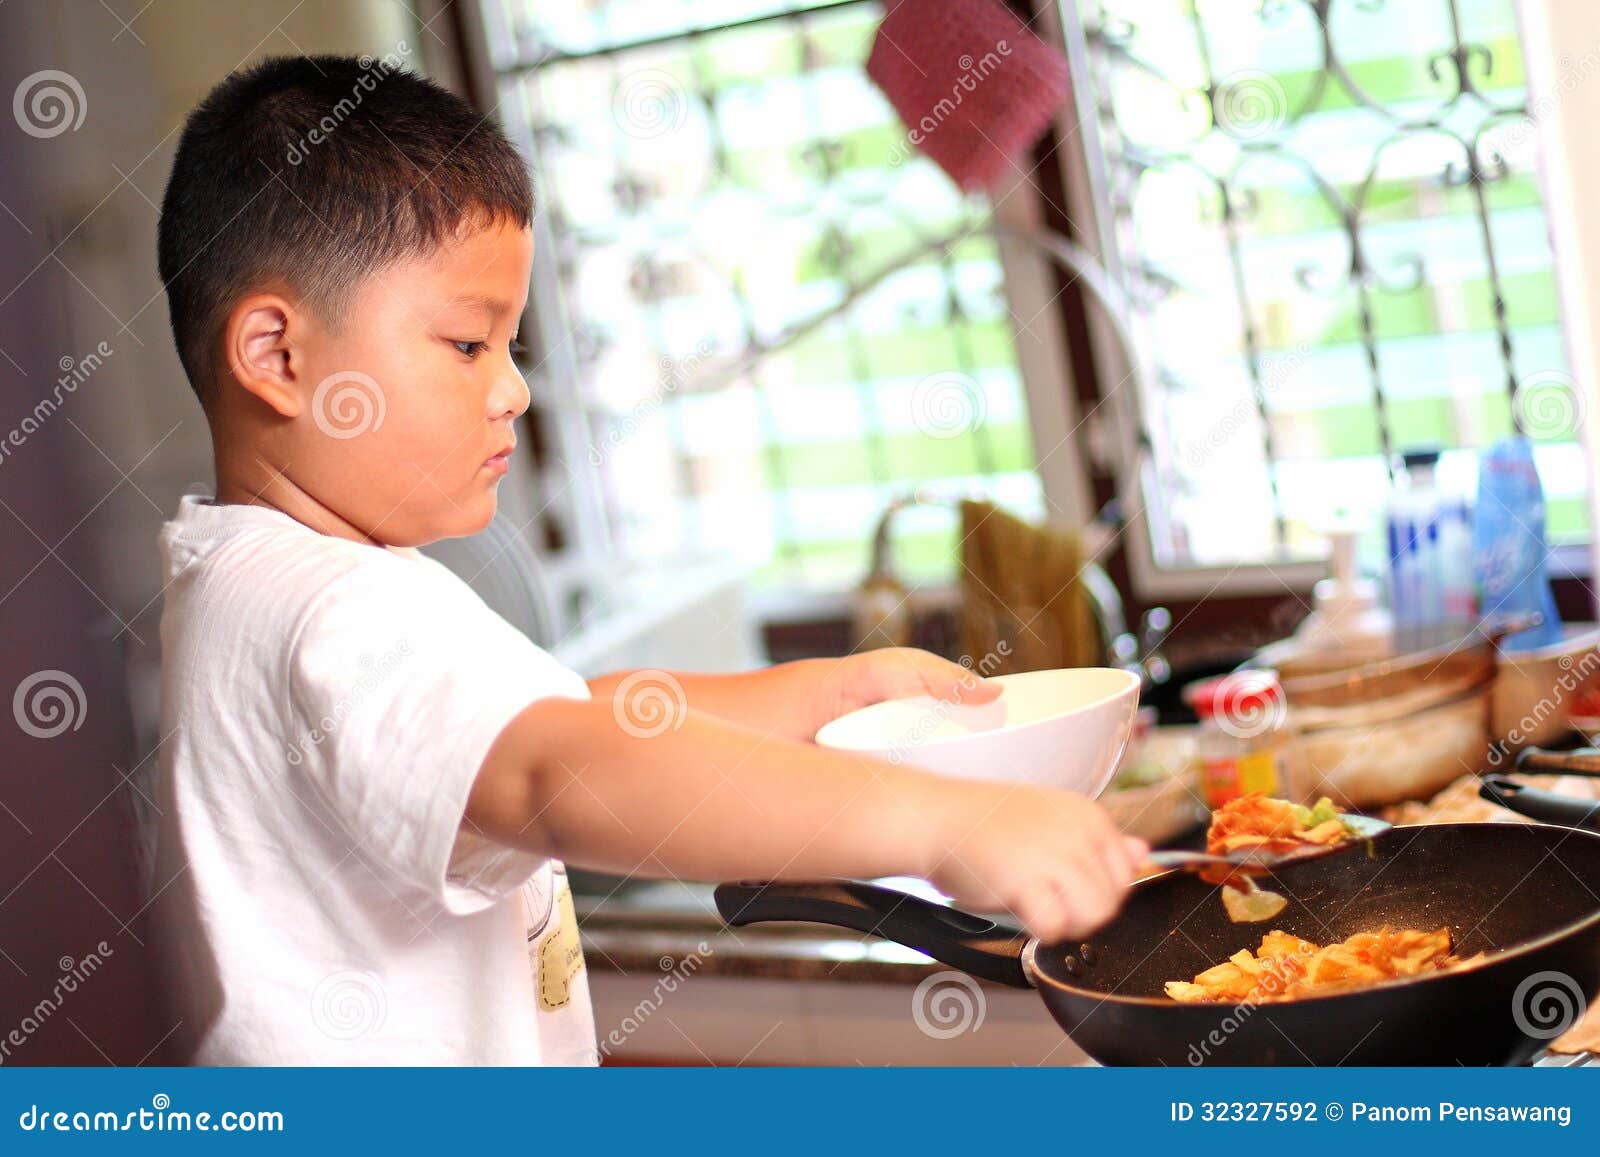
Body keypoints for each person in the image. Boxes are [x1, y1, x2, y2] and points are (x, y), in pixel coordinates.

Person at [149, 55, 1145, 1065]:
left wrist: (823, 693)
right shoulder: (331, 610)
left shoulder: (263, 583)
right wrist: (945, 825)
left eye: (510, 346)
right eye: (465, 344)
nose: (513, 392)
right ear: (277, 356)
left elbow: (571, 715)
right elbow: (557, 769)